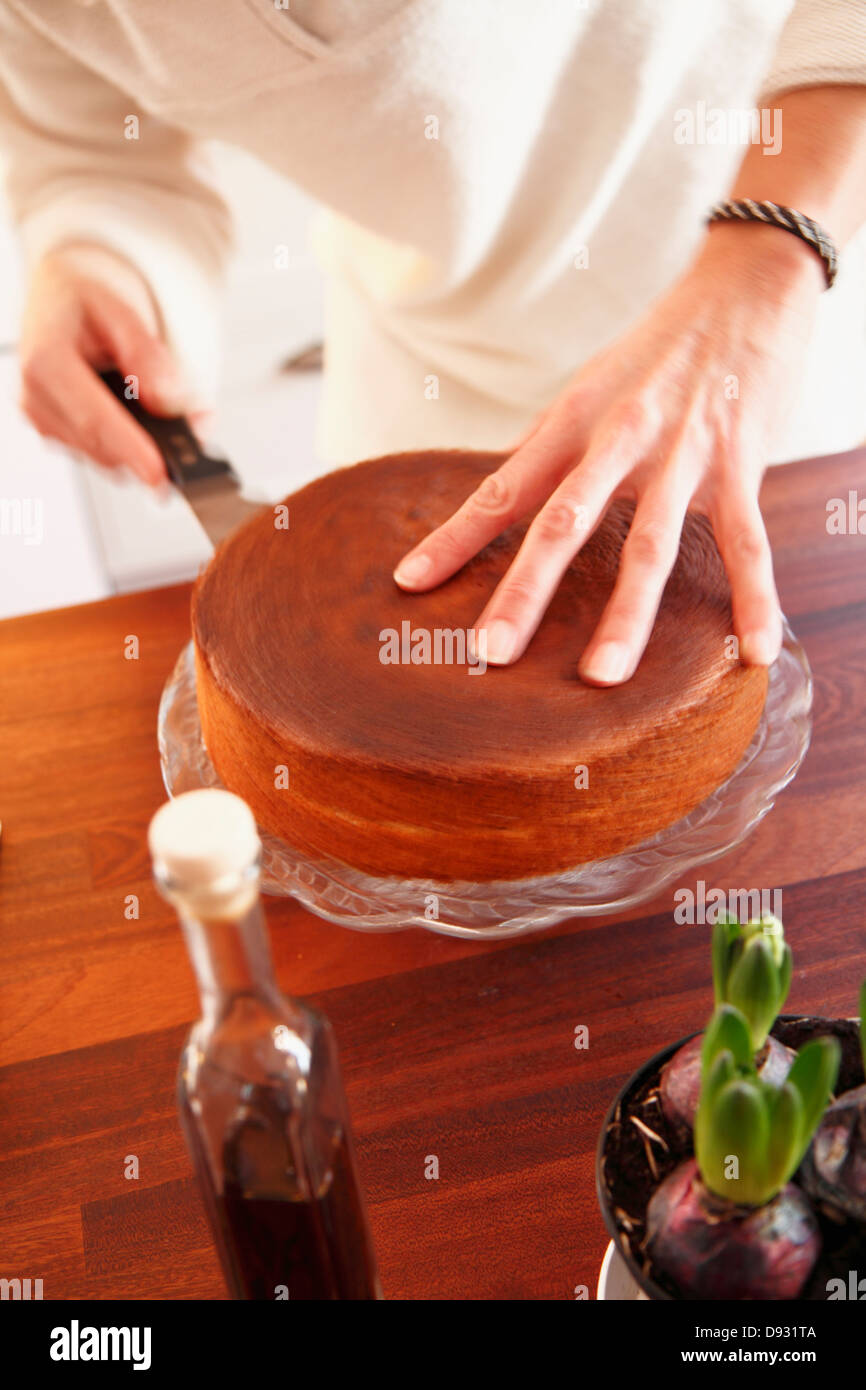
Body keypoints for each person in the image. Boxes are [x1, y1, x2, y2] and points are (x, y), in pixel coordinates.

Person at [2, 1, 865, 684]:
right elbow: (93, 146)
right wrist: (98, 258)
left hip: (767, 317)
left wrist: (772, 255)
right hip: (424, 382)